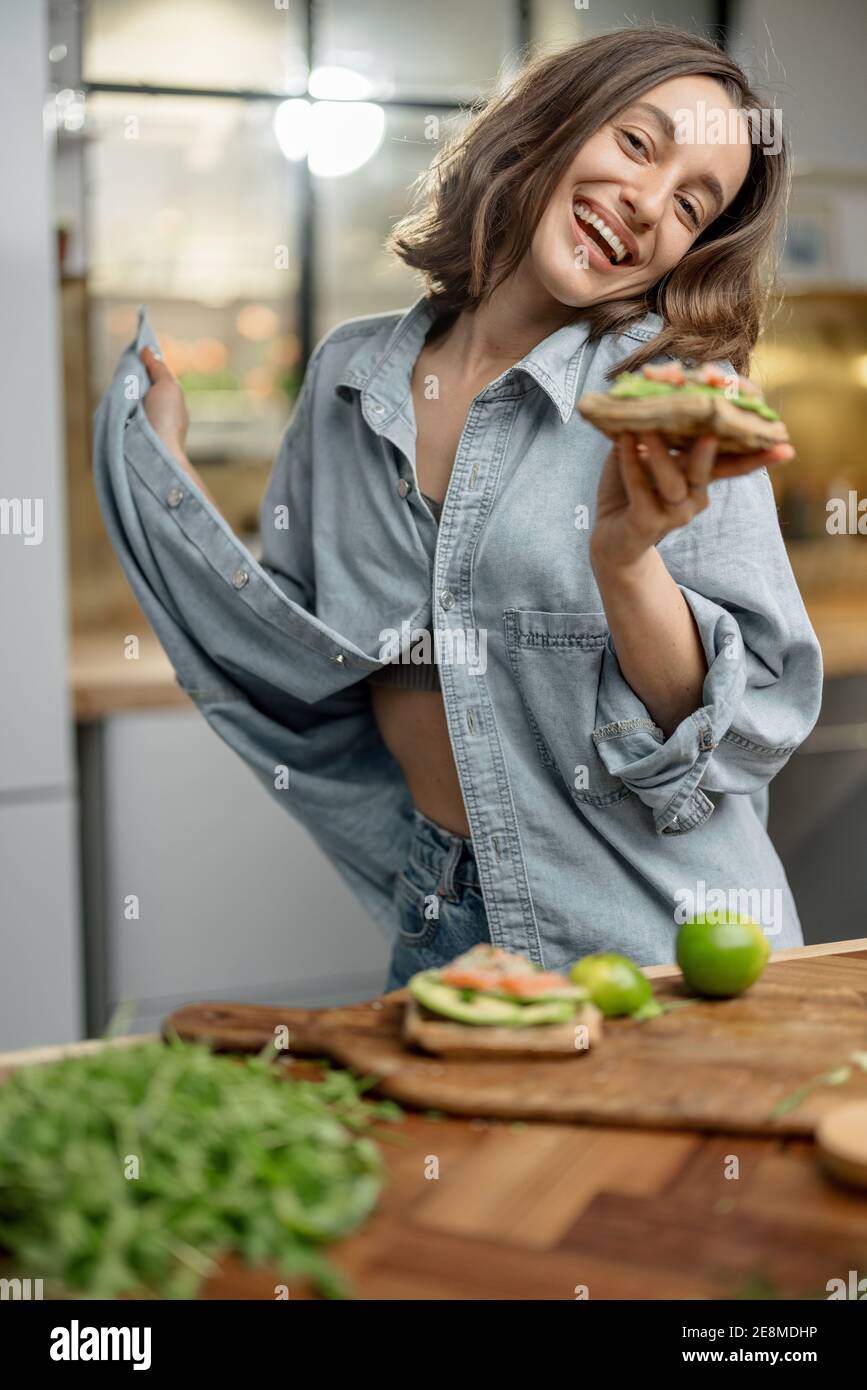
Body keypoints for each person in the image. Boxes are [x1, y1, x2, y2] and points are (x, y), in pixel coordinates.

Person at [105, 27, 822, 991]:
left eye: (691, 205)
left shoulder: (679, 403)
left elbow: (741, 734)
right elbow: (289, 654)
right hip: (440, 924)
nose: (648, 204)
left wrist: (624, 563)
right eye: (638, 144)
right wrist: (166, 464)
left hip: (663, 945)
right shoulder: (347, 380)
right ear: (551, 125)